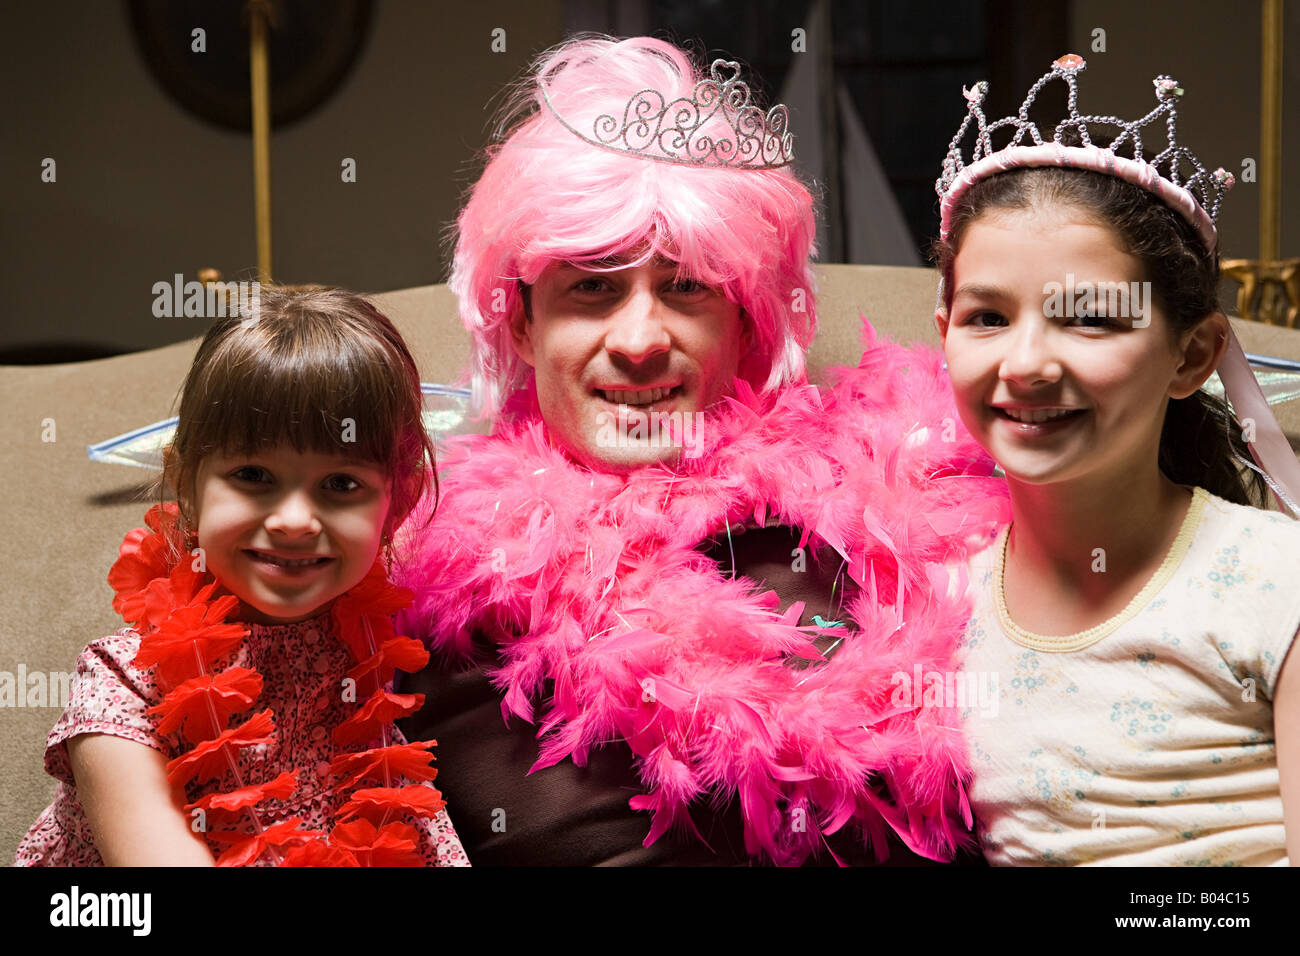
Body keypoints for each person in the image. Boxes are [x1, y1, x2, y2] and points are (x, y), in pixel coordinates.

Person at [393, 35, 1007, 865]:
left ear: (747, 321)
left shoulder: (889, 510)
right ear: (524, 325)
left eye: (686, 286)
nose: (641, 340)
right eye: (592, 287)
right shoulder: (430, 580)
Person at [933, 55, 1300, 865]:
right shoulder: (928, 606)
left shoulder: (1281, 583)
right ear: (944, 333)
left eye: (1090, 319)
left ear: (1192, 356)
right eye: (988, 317)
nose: (1026, 363)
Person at [14, 286, 468, 866]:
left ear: (397, 503)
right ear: (187, 486)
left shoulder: (379, 655)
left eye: (341, 485)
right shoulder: (125, 685)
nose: (295, 521)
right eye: (253, 474)